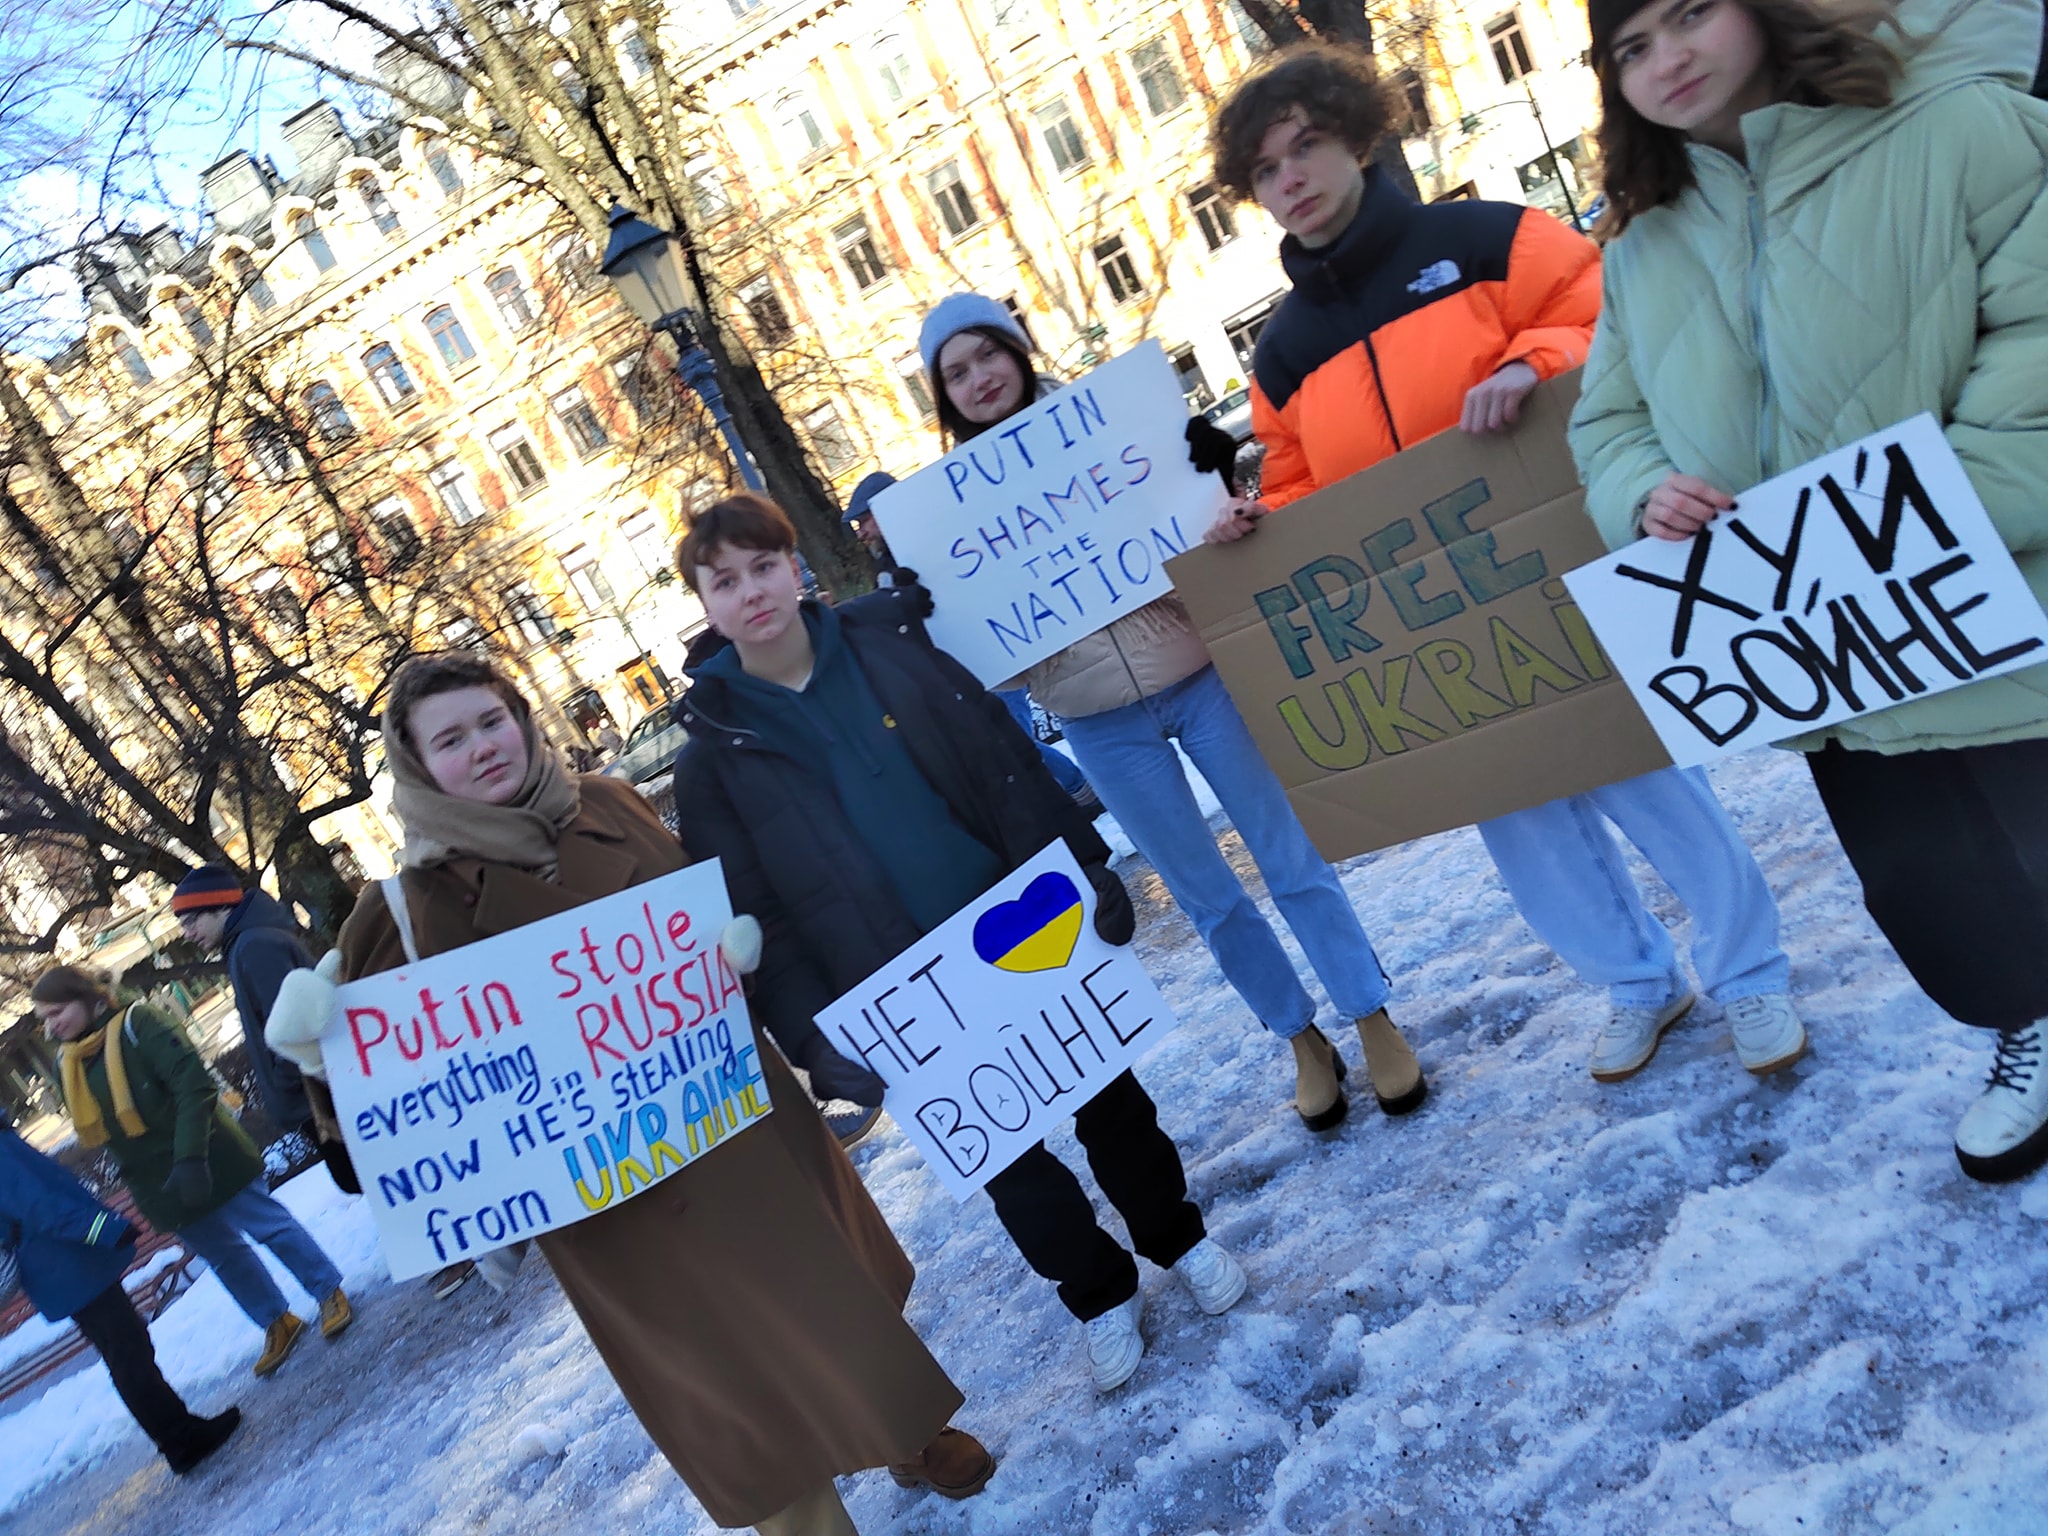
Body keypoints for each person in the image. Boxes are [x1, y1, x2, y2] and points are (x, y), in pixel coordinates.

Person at [1204, 40, 1805, 1086]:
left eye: (1305, 147)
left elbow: (1603, 314)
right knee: (1519, 820)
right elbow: (1297, 475)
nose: (1288, 179)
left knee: (1645, 779)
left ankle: (1748, 974)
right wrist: (1267, 523)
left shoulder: (1484, 236)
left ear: (1359, 139)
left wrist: (1531, 363)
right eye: (1263, 169)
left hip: (1561, 571)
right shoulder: (1283, 347)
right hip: (1436, 627)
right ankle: (1634, 984)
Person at [312, 649, 991, 1535]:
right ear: (416, 767)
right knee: (731, 1374)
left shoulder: (607, 803)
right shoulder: (401, 915)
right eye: (450, 740)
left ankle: (908, 1432)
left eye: (492, 721)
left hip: (735, 1126)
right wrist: (315, 1060)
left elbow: (701, 923)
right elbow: (378, 1121)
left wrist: (735, 958)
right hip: (619, 1203)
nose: (482, 748)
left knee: (836, 1292)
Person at [1568, 0, 2048, 1178]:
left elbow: (2033, 347)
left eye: (1686, 16)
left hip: (2001, 616)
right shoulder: (1638, 242)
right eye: (1628, 48)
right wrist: (1642, 497)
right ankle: (2025, 1032)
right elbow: (1606, 421)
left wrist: (1920, 528)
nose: (1663, 60)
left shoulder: (1959, 126)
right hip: (1830, 667)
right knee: (1933, 887)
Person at [669, 493, 1248, 1394]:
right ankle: (1097, 1295)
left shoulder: (892, 651)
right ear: (703, 601)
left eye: (764, 566)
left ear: (796, 566)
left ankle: (1178, 1237)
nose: (751, 592)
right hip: (896, 989)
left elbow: (1002, 769)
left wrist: (1086, 867)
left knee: (1111, 1101)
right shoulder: (714, 756)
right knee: (1006, 1163)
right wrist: (814, 1041)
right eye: (725, 580)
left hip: (1016, 919)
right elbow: (754, 916)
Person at [916, 292, 1426, 1135]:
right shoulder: (949, 520)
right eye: (955, 373)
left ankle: (1371, 1012)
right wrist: (947, 616)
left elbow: (1213, 529)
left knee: (1288, 854)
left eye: (986, 356)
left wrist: (1213, 488)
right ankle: (1299, 1038)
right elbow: (995, 673)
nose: (977, 380)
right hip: (1098, 721)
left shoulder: (1116, 431)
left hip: (1201, 673)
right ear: (942, 396)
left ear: (1017, 350)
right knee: (1207, 896)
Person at [28, 965, 352, 1377]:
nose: (52, 1025)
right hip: (157, 1184)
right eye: (45, 1019)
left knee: (269, 1225)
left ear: (87, 998)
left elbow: (193, 1086)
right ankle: (277, 1320)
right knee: (222, 1255)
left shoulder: (138, 1023)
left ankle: (328, 1291)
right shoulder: (67, 1063)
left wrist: (191, 1158)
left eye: (57, 1012)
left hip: (209, 1154)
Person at [845, 469, 1103, 817]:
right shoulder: (891, 566)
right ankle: (1073, 796)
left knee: (1012, 740)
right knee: (1006, 740)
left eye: (864, 520)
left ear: (886, 511)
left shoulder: (937, 545)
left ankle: (1076, 793)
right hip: (962, 668)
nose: (860, 532)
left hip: (992, 658)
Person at [0, 1120, 241, 1475]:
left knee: (127, 1349)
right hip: (65, 1264)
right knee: (128, 1351)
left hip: (58, 1268)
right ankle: (181, 1440)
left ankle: (180, 1433)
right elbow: (41, 1205)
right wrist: (105, 1229)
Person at [170, 865, 358, 1192]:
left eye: (191, 921)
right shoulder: (251, 942)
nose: (187, 933)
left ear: (219, 907)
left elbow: (292, 1025)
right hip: (321, 1094)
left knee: (359, 1180)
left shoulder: (254, 947)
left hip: (319, 1100)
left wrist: (286, 1087)